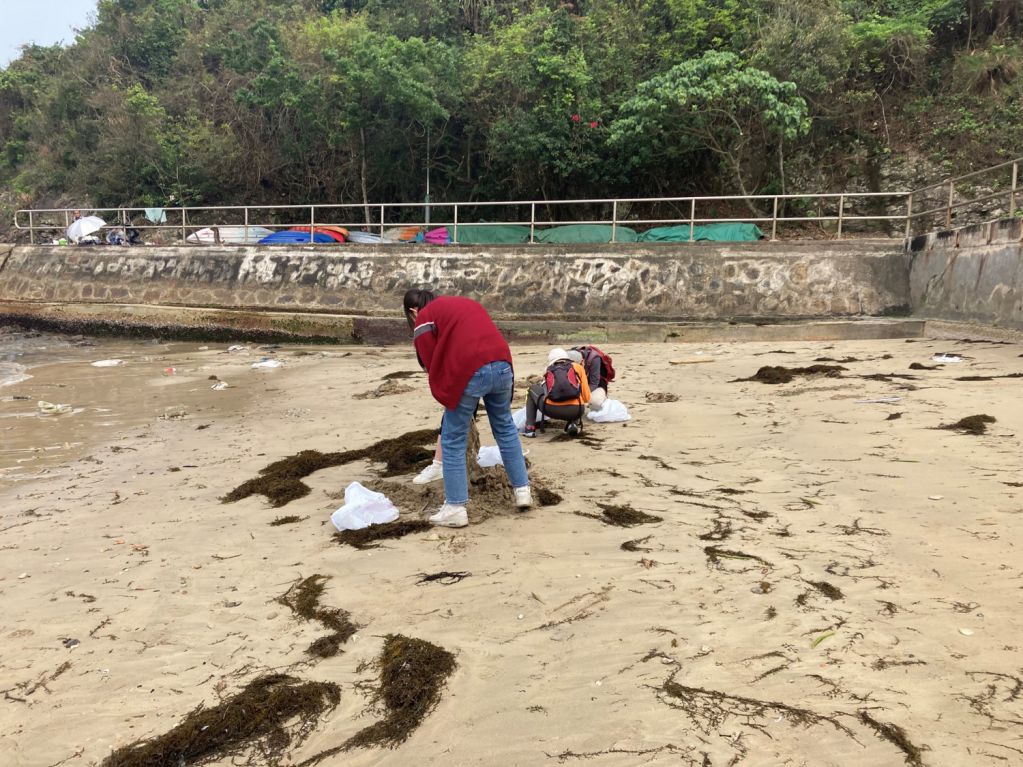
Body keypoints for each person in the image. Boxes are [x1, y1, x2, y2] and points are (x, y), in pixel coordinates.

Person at [404, 288, 531, 527]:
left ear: (413, 310)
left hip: (469, 370)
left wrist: (448, 394)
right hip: (502, 363)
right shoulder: (464, 303)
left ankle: (455, 507)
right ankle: (522, 490)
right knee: (504, 427)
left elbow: (432, 363)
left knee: (453, 439)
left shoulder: (423, 317)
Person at [523, 348, 591, 438]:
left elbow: (547, 391)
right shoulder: (578, 368)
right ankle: (573, 423)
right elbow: (586, 397)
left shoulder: (548, 369)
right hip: (576, 410)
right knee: (577, 397)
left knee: (531, 389)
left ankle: (530, 428)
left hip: (552, 410)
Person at [571, 345, 615, 411]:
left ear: (582, 361)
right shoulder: (567, 357)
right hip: (580, 382)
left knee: (595, 402)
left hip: (597, 383)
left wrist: (581, 395)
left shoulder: (594, 358)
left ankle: (603, 400)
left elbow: (594, 383)